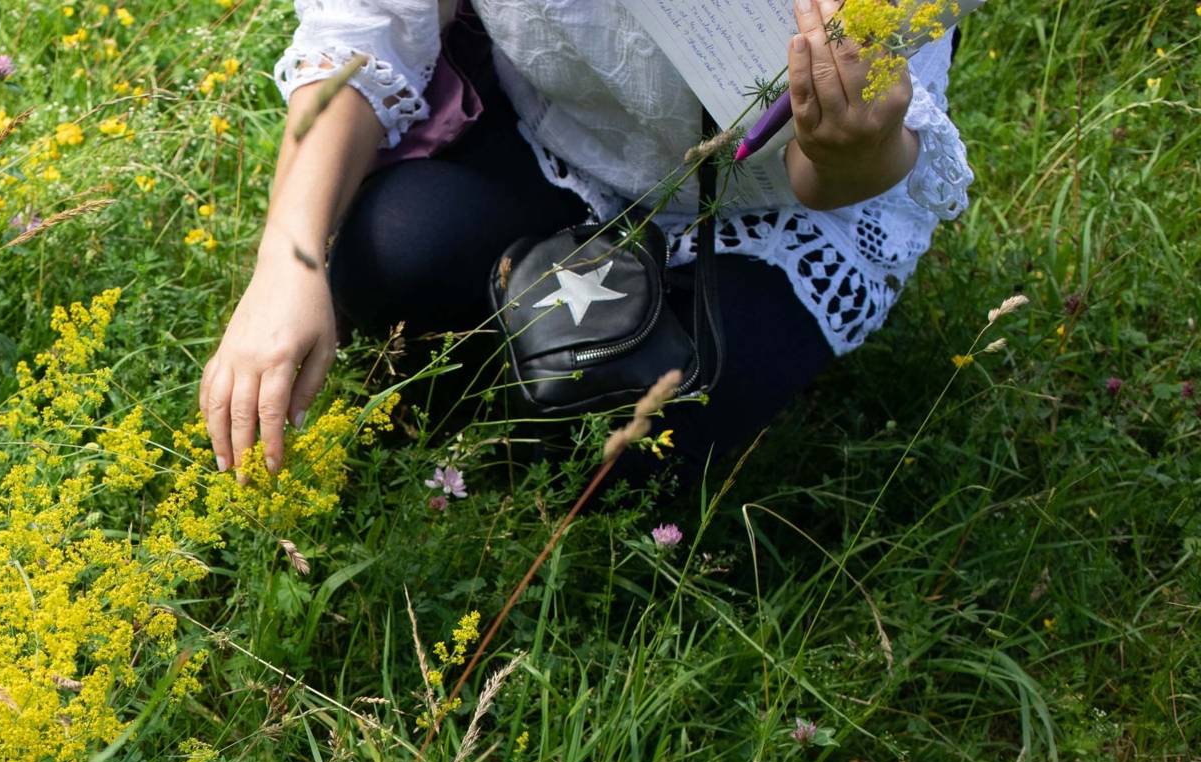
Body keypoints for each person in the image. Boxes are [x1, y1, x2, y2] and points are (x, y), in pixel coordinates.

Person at [198, 0, 974, 481]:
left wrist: (844, 145)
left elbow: (827, 170)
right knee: (383, 263)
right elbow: (362, 28)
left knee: (649, 450)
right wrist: (286, 260)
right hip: (564, 142)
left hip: (769, 208)